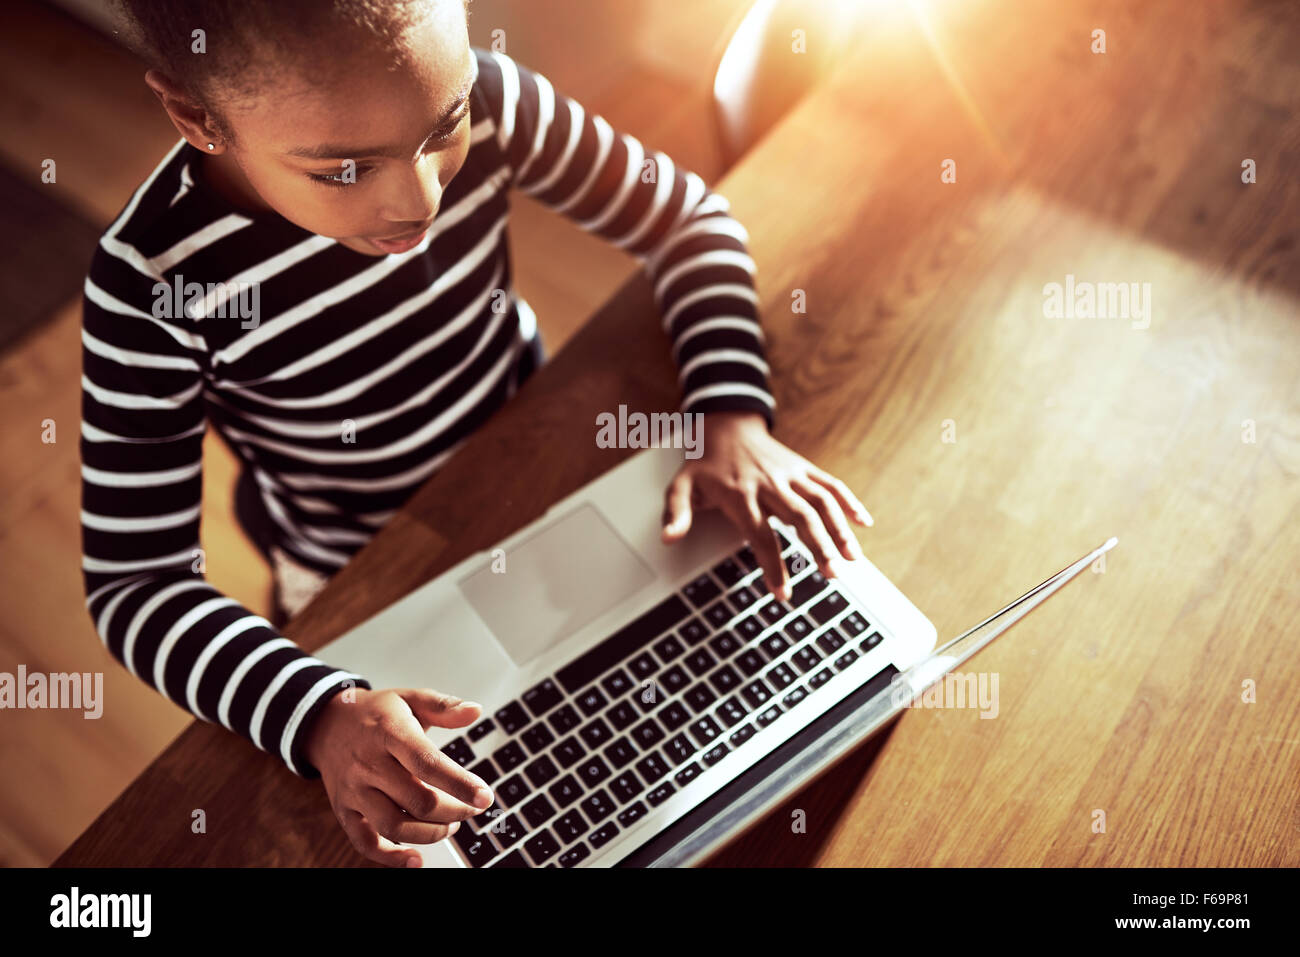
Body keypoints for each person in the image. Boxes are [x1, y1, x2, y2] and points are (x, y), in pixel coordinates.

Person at [83, 0, 872, 867]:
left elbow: (689, 221)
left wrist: (732, 413)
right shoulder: (149, 282)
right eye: (344, 170)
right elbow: (136, 583)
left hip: (536, 463)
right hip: (356, 566)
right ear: (198, 117)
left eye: (443, 125)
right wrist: (316, 713)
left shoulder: (491, 97)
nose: (419, 199)